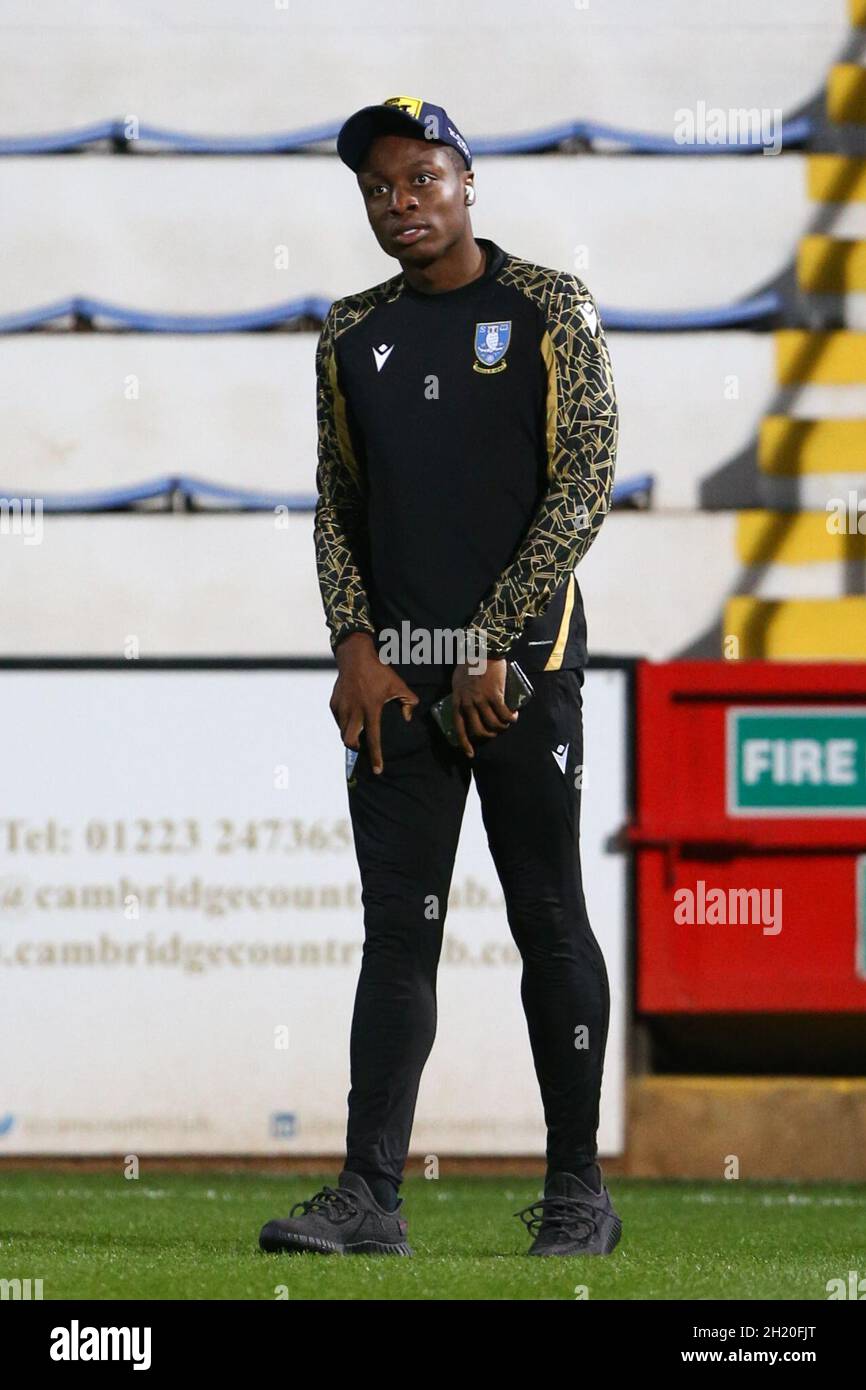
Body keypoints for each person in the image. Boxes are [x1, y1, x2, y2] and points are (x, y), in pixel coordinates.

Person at [259, 95, 620, 1259]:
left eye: (420, 178)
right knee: (395, 934)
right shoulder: (349, 330)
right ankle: (370, 1196)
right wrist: (352, 646)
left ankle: (577, 1193)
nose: (399, 203)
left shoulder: (550, 307)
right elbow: (340, 505)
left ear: (467, 180)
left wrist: (490, 646)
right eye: (378, 188)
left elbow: (581, 490)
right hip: (398, 686)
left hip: (519, 673)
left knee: (546, 920)